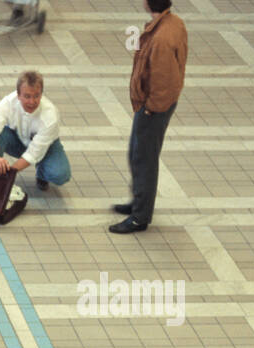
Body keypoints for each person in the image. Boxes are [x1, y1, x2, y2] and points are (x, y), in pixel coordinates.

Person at [111, 0, 187, 234]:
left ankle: (140, 217)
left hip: (153, 108)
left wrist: (150, 109)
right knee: (137, 154)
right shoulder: (172, 22)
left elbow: (163, 81)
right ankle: (138, 201)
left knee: (143, 159)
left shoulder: (162, 38)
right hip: (153, 106)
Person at [0, 70, 71, 192]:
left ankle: (42, 174)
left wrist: (8, 174)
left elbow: (33, 153)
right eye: (27, 96)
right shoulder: (8, 102)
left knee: (60, 174)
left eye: (36, 96)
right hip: (17, 139)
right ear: (18, 95)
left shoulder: (50, 116)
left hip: (46, 146)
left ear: (41, 94)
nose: (32, 102)